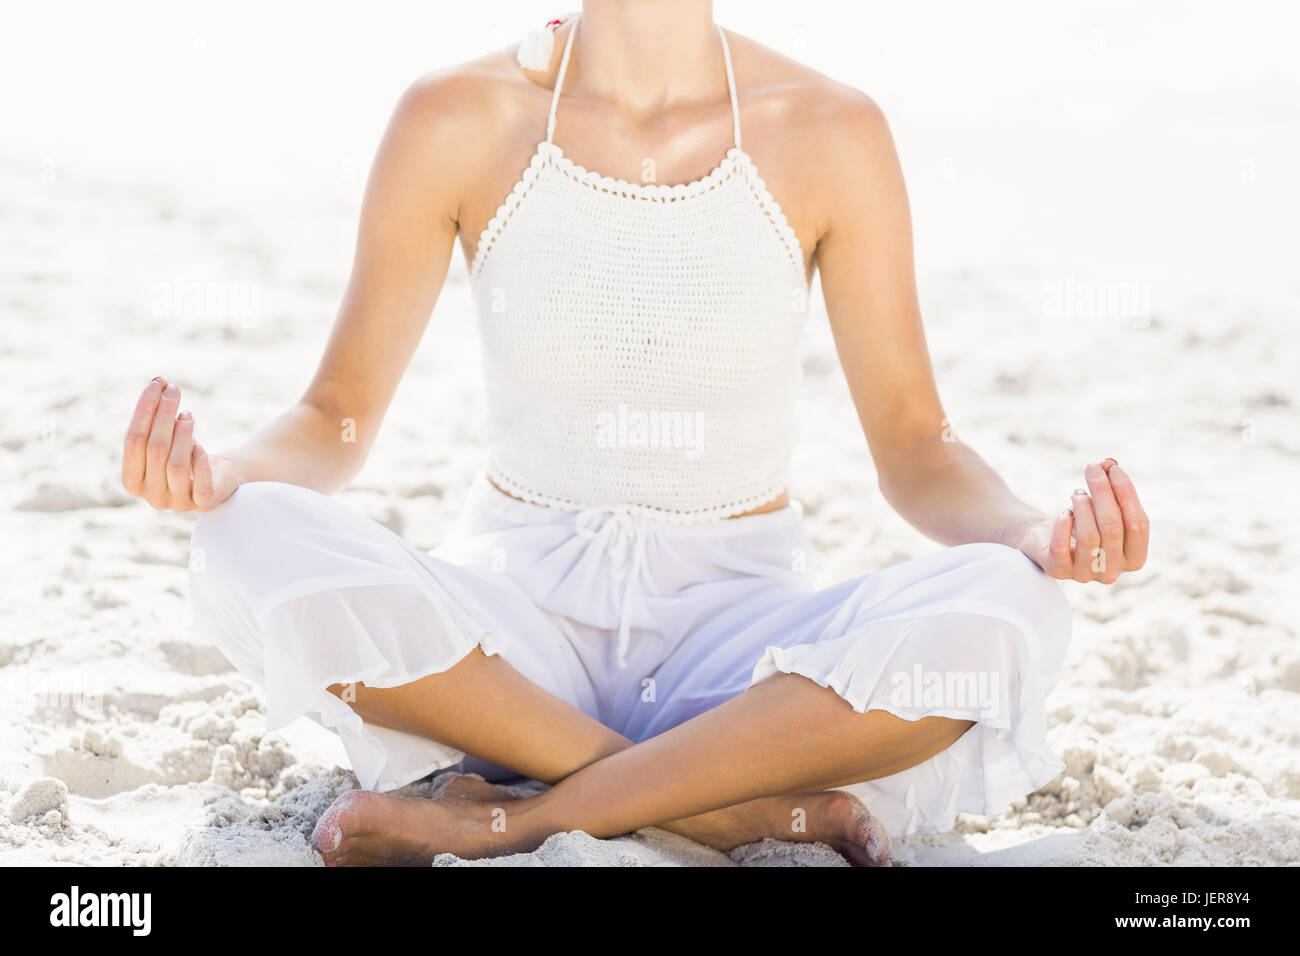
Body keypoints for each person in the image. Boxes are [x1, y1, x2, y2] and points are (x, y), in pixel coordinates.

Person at [121, 4, 1149, 866]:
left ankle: (519, 812)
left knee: (1011, 601)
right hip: (514, 638)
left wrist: (1030, 529)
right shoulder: (457, 115)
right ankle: (715, 802)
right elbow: (331, 414)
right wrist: (225, 474)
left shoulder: (830, 128)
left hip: (736, 649)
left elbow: (917, 447)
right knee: (243, 536)